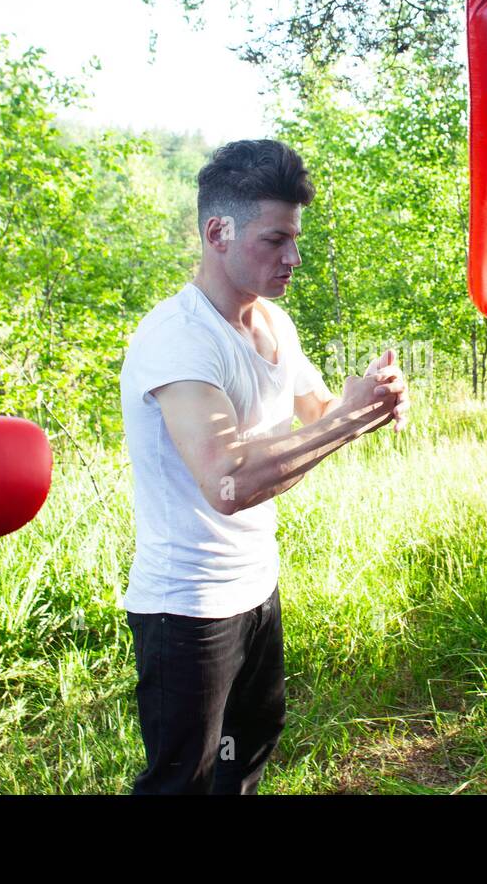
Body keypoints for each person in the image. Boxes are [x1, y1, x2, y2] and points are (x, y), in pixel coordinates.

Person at [119, 138, 411, 794]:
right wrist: (347, 420)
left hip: (256, 586)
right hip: (186, 607)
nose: (294, 257)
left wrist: (369, 401)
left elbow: (319, 413)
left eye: (296, 238)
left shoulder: (273, 323)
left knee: (248, 752)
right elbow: (227, 480)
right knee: (181, 782)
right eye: (276, 240)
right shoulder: (179, 338)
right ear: (218, 232)